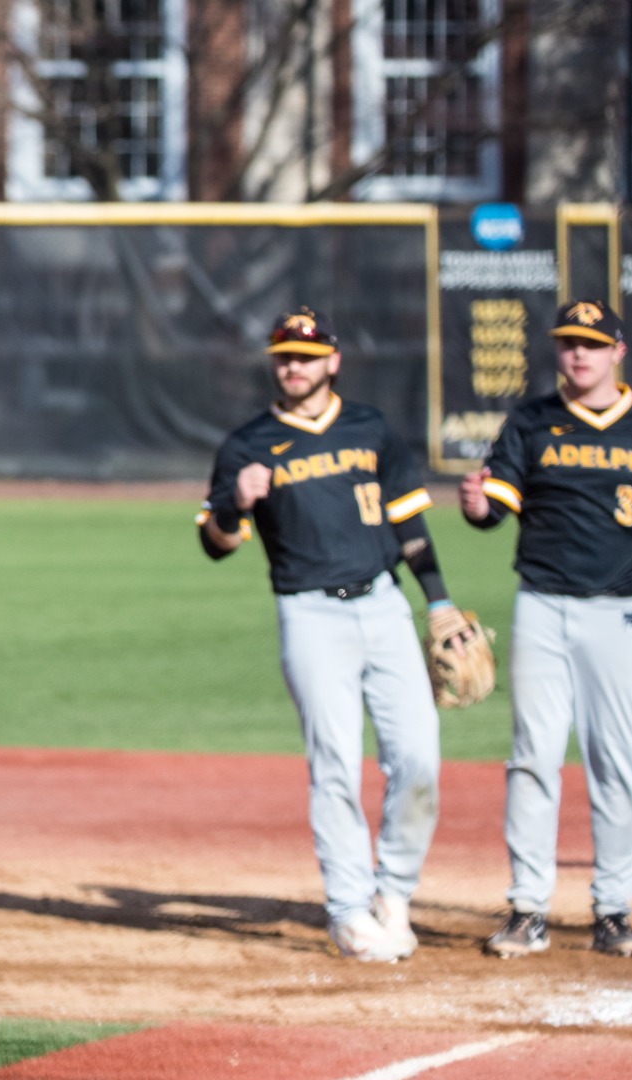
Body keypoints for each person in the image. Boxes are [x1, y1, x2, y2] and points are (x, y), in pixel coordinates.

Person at [198, 307, 467, 962]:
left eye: (307, 354)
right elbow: (217, 544)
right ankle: (348, 908)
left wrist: (440, 604)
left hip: (384, 605)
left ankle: (394, 893)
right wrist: (237, 501)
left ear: (333, 361)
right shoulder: (247, 444)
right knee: (335, 766)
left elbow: (410, 528)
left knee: (420, 757)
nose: (295, 365)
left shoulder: (371, 428)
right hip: (309, 613)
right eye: (285, 355)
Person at [461, 300, 632, 959]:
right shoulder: (532, 421)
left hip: (622, 614)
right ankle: (527, 908)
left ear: (617, 352)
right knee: (533, 756)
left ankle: (613, 910)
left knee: (616, 761)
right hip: (543, 605)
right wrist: (478, 505)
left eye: (592, 345)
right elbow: (495, 508)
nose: (579, 354)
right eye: (569, 343)